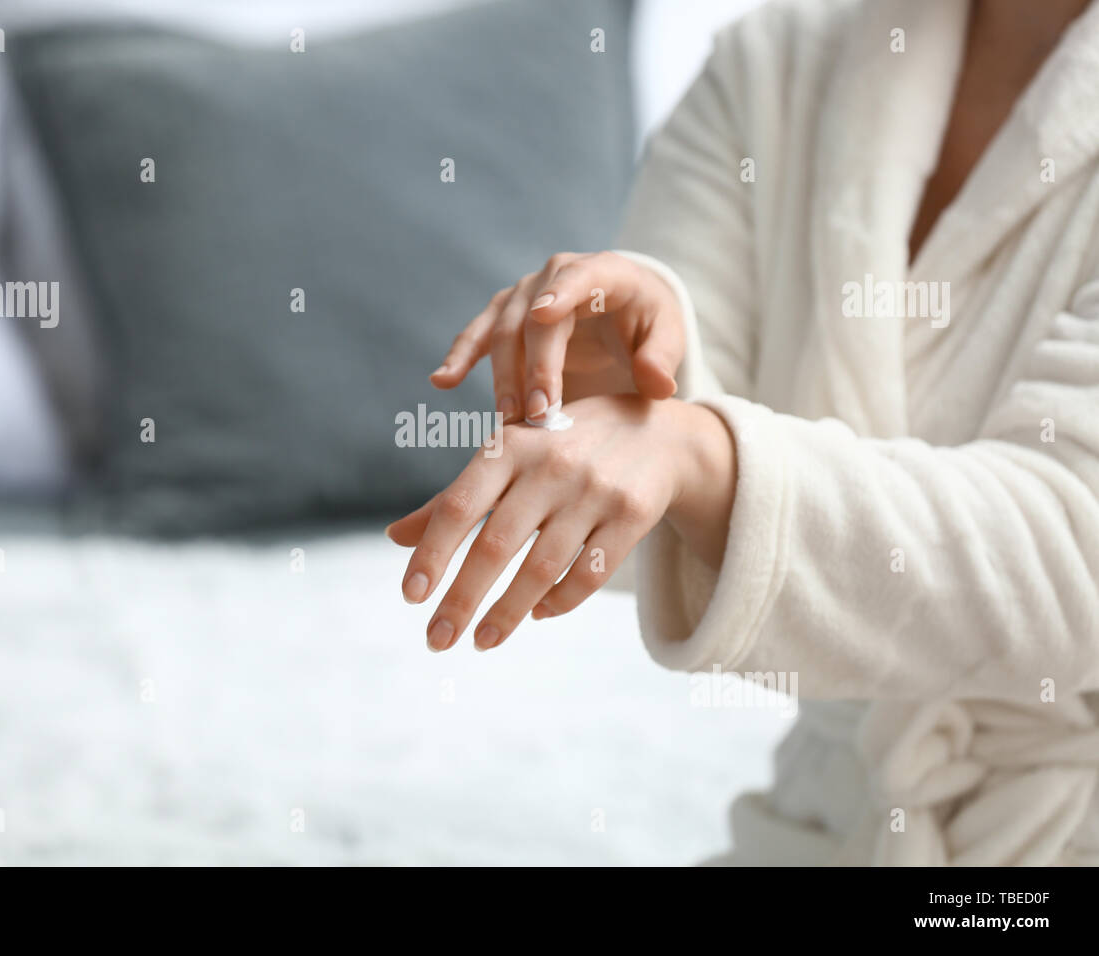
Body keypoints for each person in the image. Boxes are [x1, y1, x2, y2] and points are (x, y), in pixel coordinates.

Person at [387, 0, 1099, 865]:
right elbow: (676, 425)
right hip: (831, 821)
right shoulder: (769, 66)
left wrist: (697, 455)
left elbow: (1075, 548)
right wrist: (618, 382)